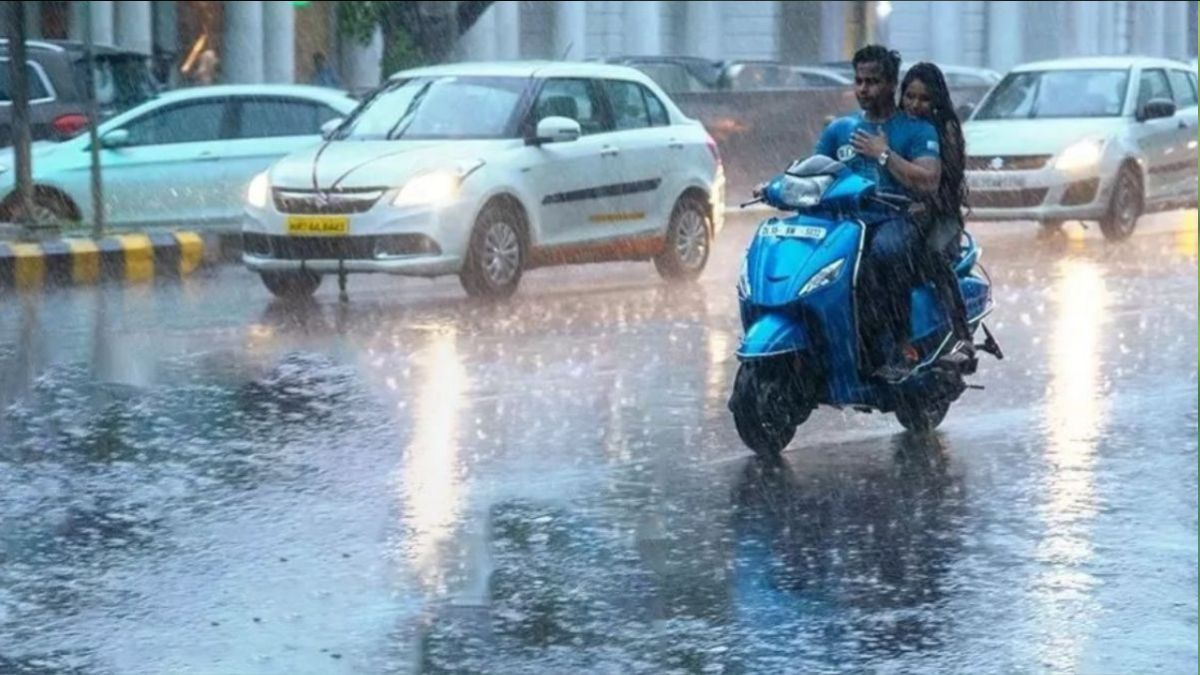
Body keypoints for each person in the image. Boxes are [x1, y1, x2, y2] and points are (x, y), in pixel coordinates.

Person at [812, 45, 942, 382]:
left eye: (872, 82)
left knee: (881, 253)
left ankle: (899, 347)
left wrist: (883, 154)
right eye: (858, 81)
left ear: (891, 84)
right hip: (848, 223)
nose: (863, 89)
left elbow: (929, 179)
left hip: (897, 220)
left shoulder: (916, 130)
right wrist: (773, 185)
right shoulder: (840, 129)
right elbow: (812, 169)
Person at [898, 62, 973, 352]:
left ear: (937, 100)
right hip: (899, 214)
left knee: (932, 258)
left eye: (924, 99)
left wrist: (927, 205)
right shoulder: (896, 125)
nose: (915, 105)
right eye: (910, 96)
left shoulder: (946, 129)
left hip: (942, 217)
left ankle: (961, 335)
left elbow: (948, 184)